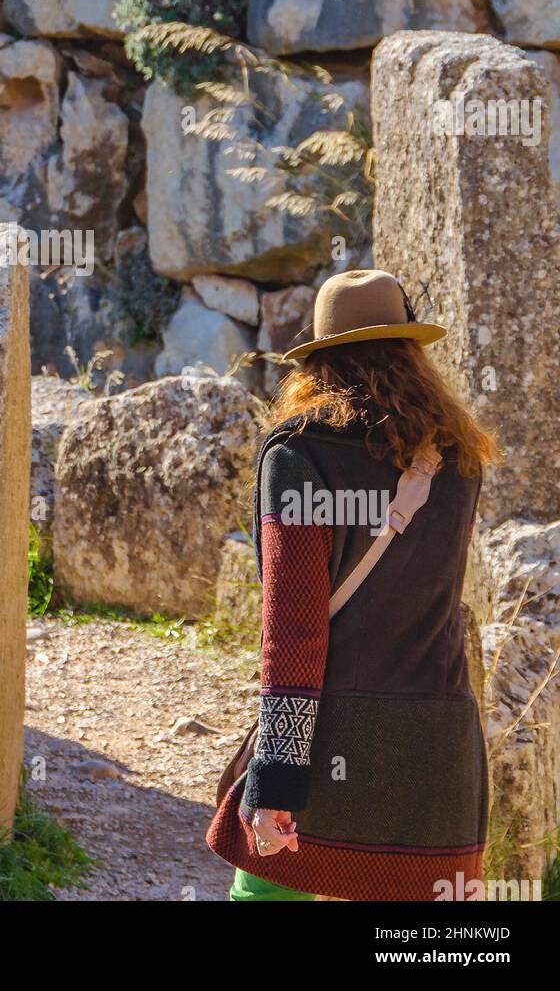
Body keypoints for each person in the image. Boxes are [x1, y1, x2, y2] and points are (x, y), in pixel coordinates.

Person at [206, 269, 498, 902]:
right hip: (439, 739)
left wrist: (277, 780)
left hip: (332, 734)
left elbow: (294, 631)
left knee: (265, 894)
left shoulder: (301, 457)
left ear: (317, 359)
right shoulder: (457, 457)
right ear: (411, 352)